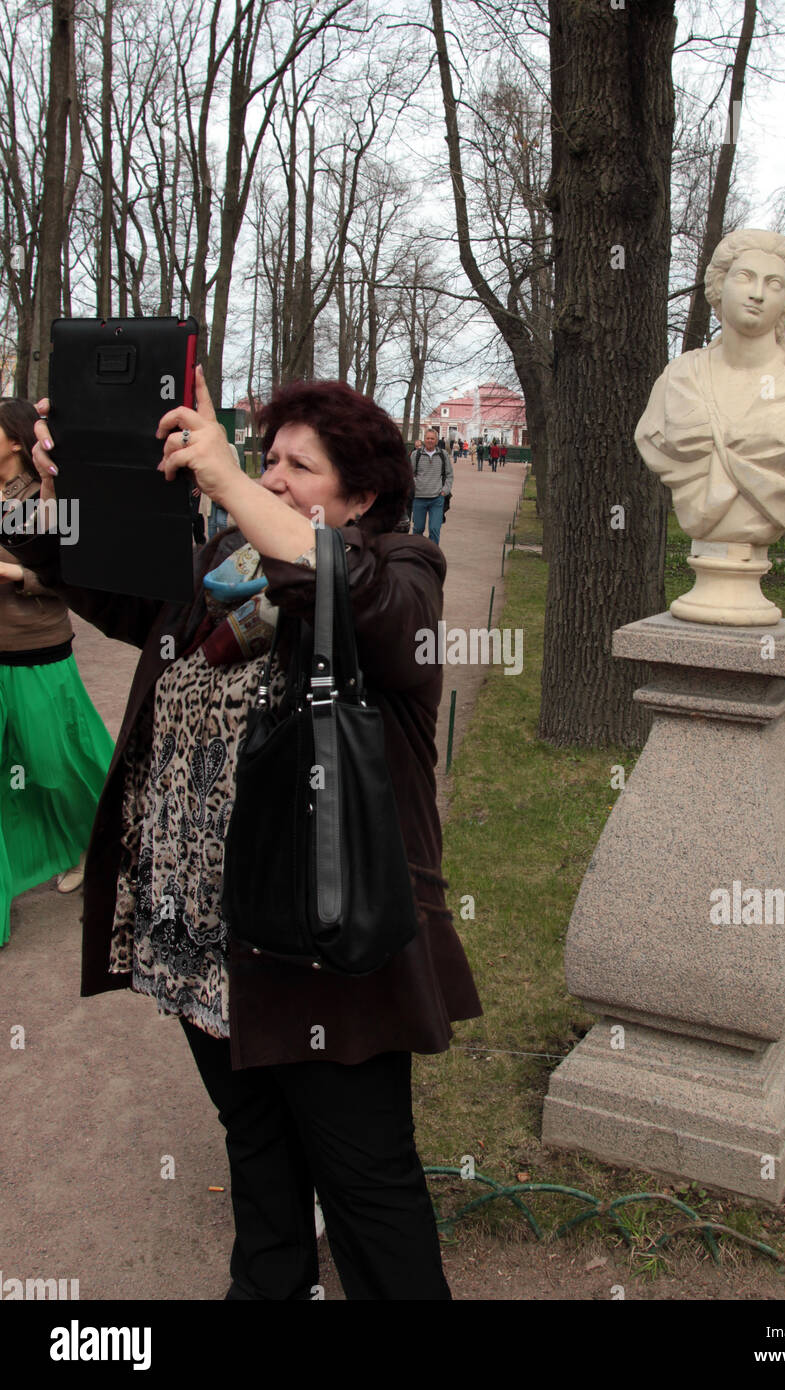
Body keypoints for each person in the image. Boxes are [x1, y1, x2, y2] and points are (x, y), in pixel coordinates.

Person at [15, 371, 481, 1300]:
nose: (267, 478)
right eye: (263, 460)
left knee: (364, 1180)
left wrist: (225, 480)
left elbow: (356, 603)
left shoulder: (401, 574)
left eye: (295, 467)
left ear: (363, 496)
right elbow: (109, 589)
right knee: (258, 1146)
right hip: (201, 936)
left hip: (320, 943)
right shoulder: (226, 567)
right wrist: (66, 494)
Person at [635, 228, 785, 544]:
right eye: (746, 277)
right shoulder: (678, 380)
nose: (758, 293)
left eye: (773, 284)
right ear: (720, 285)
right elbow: (652, 439)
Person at [0, 398, 114, 946]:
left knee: (58, 761)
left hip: (37, 651)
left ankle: (101, 840)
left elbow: (69, 577)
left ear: (17, 442)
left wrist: (11, 572)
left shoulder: (43, 498)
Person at [410, 428, 452, 546]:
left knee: (434, 529)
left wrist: (445, 491)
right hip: (419, 498)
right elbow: (409, 473)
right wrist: (415, 484)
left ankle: (432, 555)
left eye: (432, 438)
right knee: (418, 529)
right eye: (428, 438)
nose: (430, 441)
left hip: (437, 498)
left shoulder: (443, 455)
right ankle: (417, 554)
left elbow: (449, 475)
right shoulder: (416, 455)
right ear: (424, 440)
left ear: (436, 440)